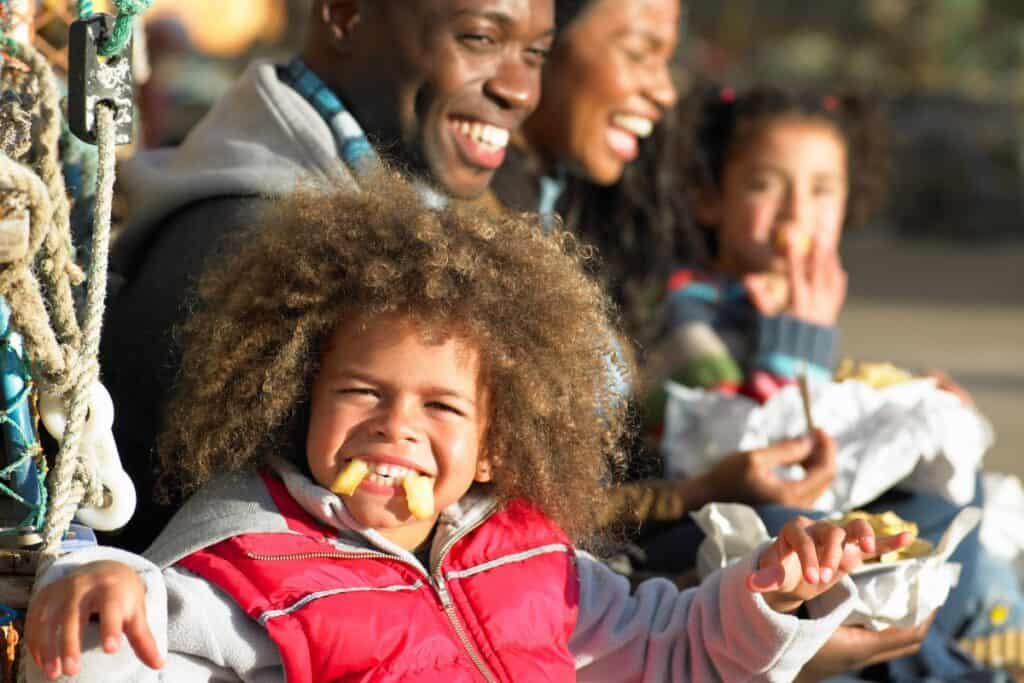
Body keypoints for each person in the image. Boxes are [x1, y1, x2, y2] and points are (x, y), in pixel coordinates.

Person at [24, 177, 903, 682]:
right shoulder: (258, 564)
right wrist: (92, 566)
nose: (396, 429)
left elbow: (676, 648)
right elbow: (142, 623)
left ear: (493, 439)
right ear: (301, 397)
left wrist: (770, 592)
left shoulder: (535, 558)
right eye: (362, 393)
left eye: (441, 408)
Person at [100, 0, 556, 551]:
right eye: (479, 39)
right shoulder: (256, 249)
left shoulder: (397, 215)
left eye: (535, 54)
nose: (520, 90)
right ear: (342, 15)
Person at [633, 84, 1020, 682]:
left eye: (821, 190)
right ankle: (955, 662)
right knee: (877, 543)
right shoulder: (689, 308)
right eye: (766, 185)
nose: (795, 213)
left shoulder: (791, 297)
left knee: (956, 499)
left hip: (800, 508)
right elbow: (744, 440)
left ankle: (964, 638)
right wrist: (798, 341)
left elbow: (827, 411)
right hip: (707, 525)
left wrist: (911, 403)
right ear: (711, 198)